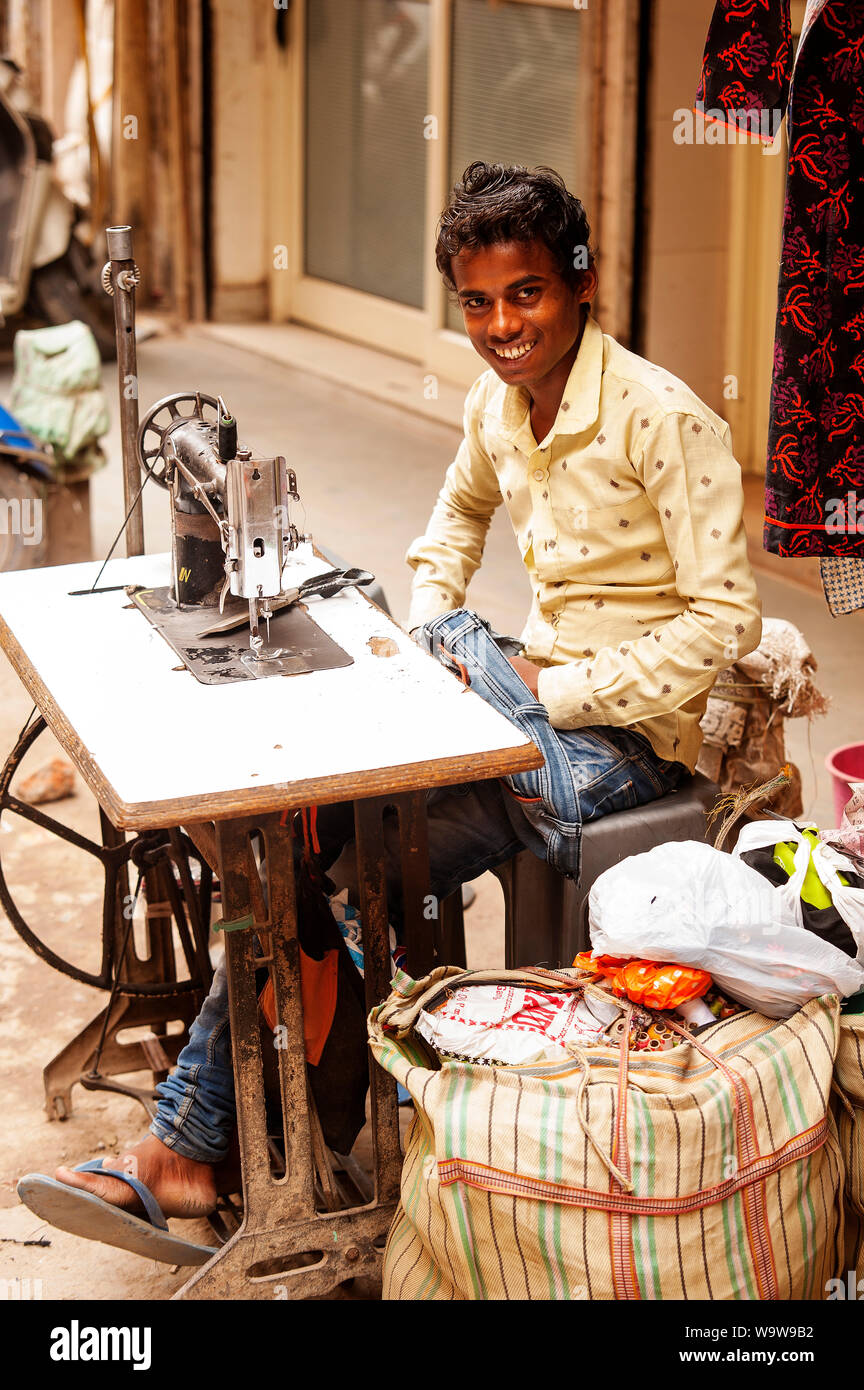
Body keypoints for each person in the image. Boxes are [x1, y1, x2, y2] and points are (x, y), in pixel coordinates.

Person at [21, 162, 761, 1249]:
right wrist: (435, 631)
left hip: (619, 745)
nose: (501, 324)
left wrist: (538, 691)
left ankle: (210, 1141)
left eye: (527, 294)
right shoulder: (496, 403)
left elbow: (723, 626)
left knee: (346, 839)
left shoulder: (662, 418)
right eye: (477, 301)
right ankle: (264, 1128)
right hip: (525, 702)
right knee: (304, 843)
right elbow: (453, 522)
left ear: (582, 284)